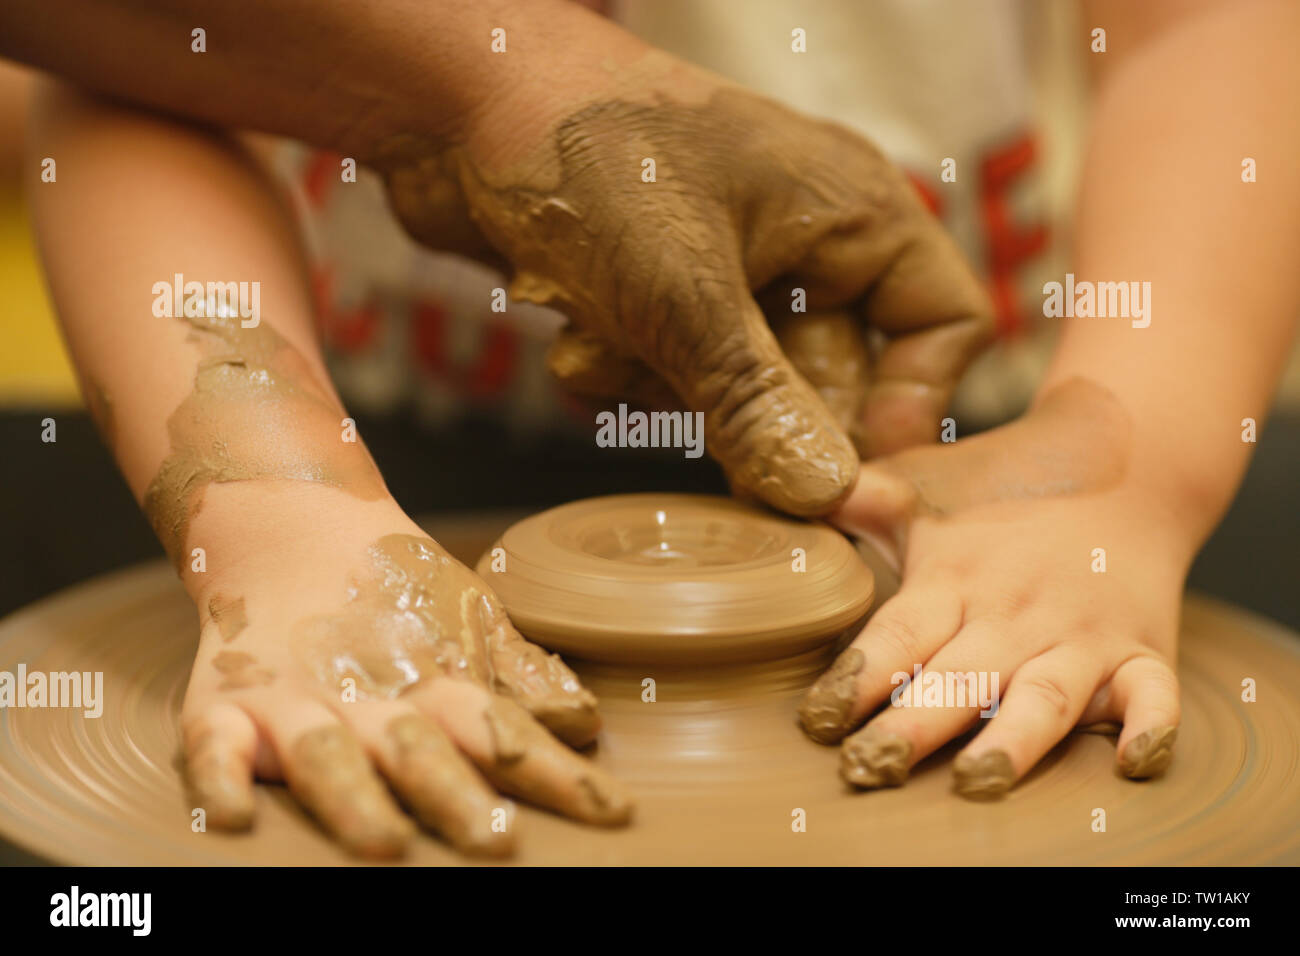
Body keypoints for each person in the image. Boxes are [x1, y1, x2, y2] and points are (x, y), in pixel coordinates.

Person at [8, 0, 1300, 856]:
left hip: (946, 445)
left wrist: (1125, 465)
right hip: (364, 440)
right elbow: (123, 55)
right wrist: (272, 503)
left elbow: (1206, 25)